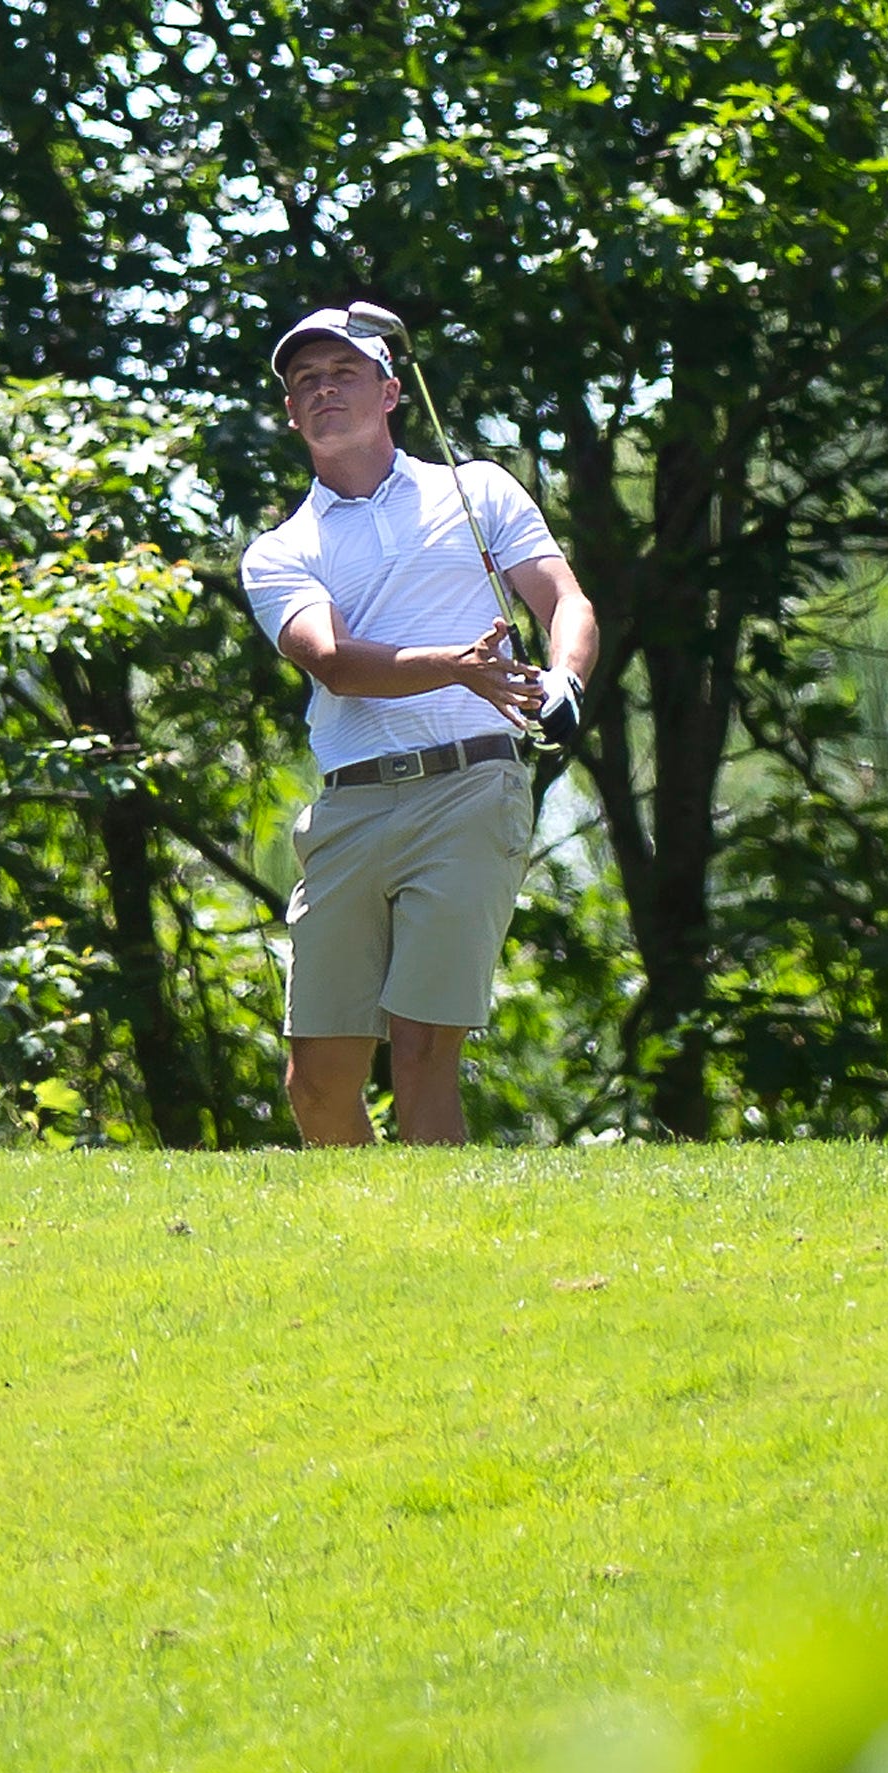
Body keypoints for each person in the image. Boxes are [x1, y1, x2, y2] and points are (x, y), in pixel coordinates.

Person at [241, 306, 601, 1146]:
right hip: (351, 804)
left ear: (391, 391)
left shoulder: (477, 491)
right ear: (291, 413)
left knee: (422, 1047)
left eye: (344, 373)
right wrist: (457, 666)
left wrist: (566, 678)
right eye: (305, 381)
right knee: (317, 1081)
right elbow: (334, 661)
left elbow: (565, 600)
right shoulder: (279, 550)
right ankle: (368, 1220)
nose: (323, 389)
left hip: (471, 787)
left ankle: (439, 1222)